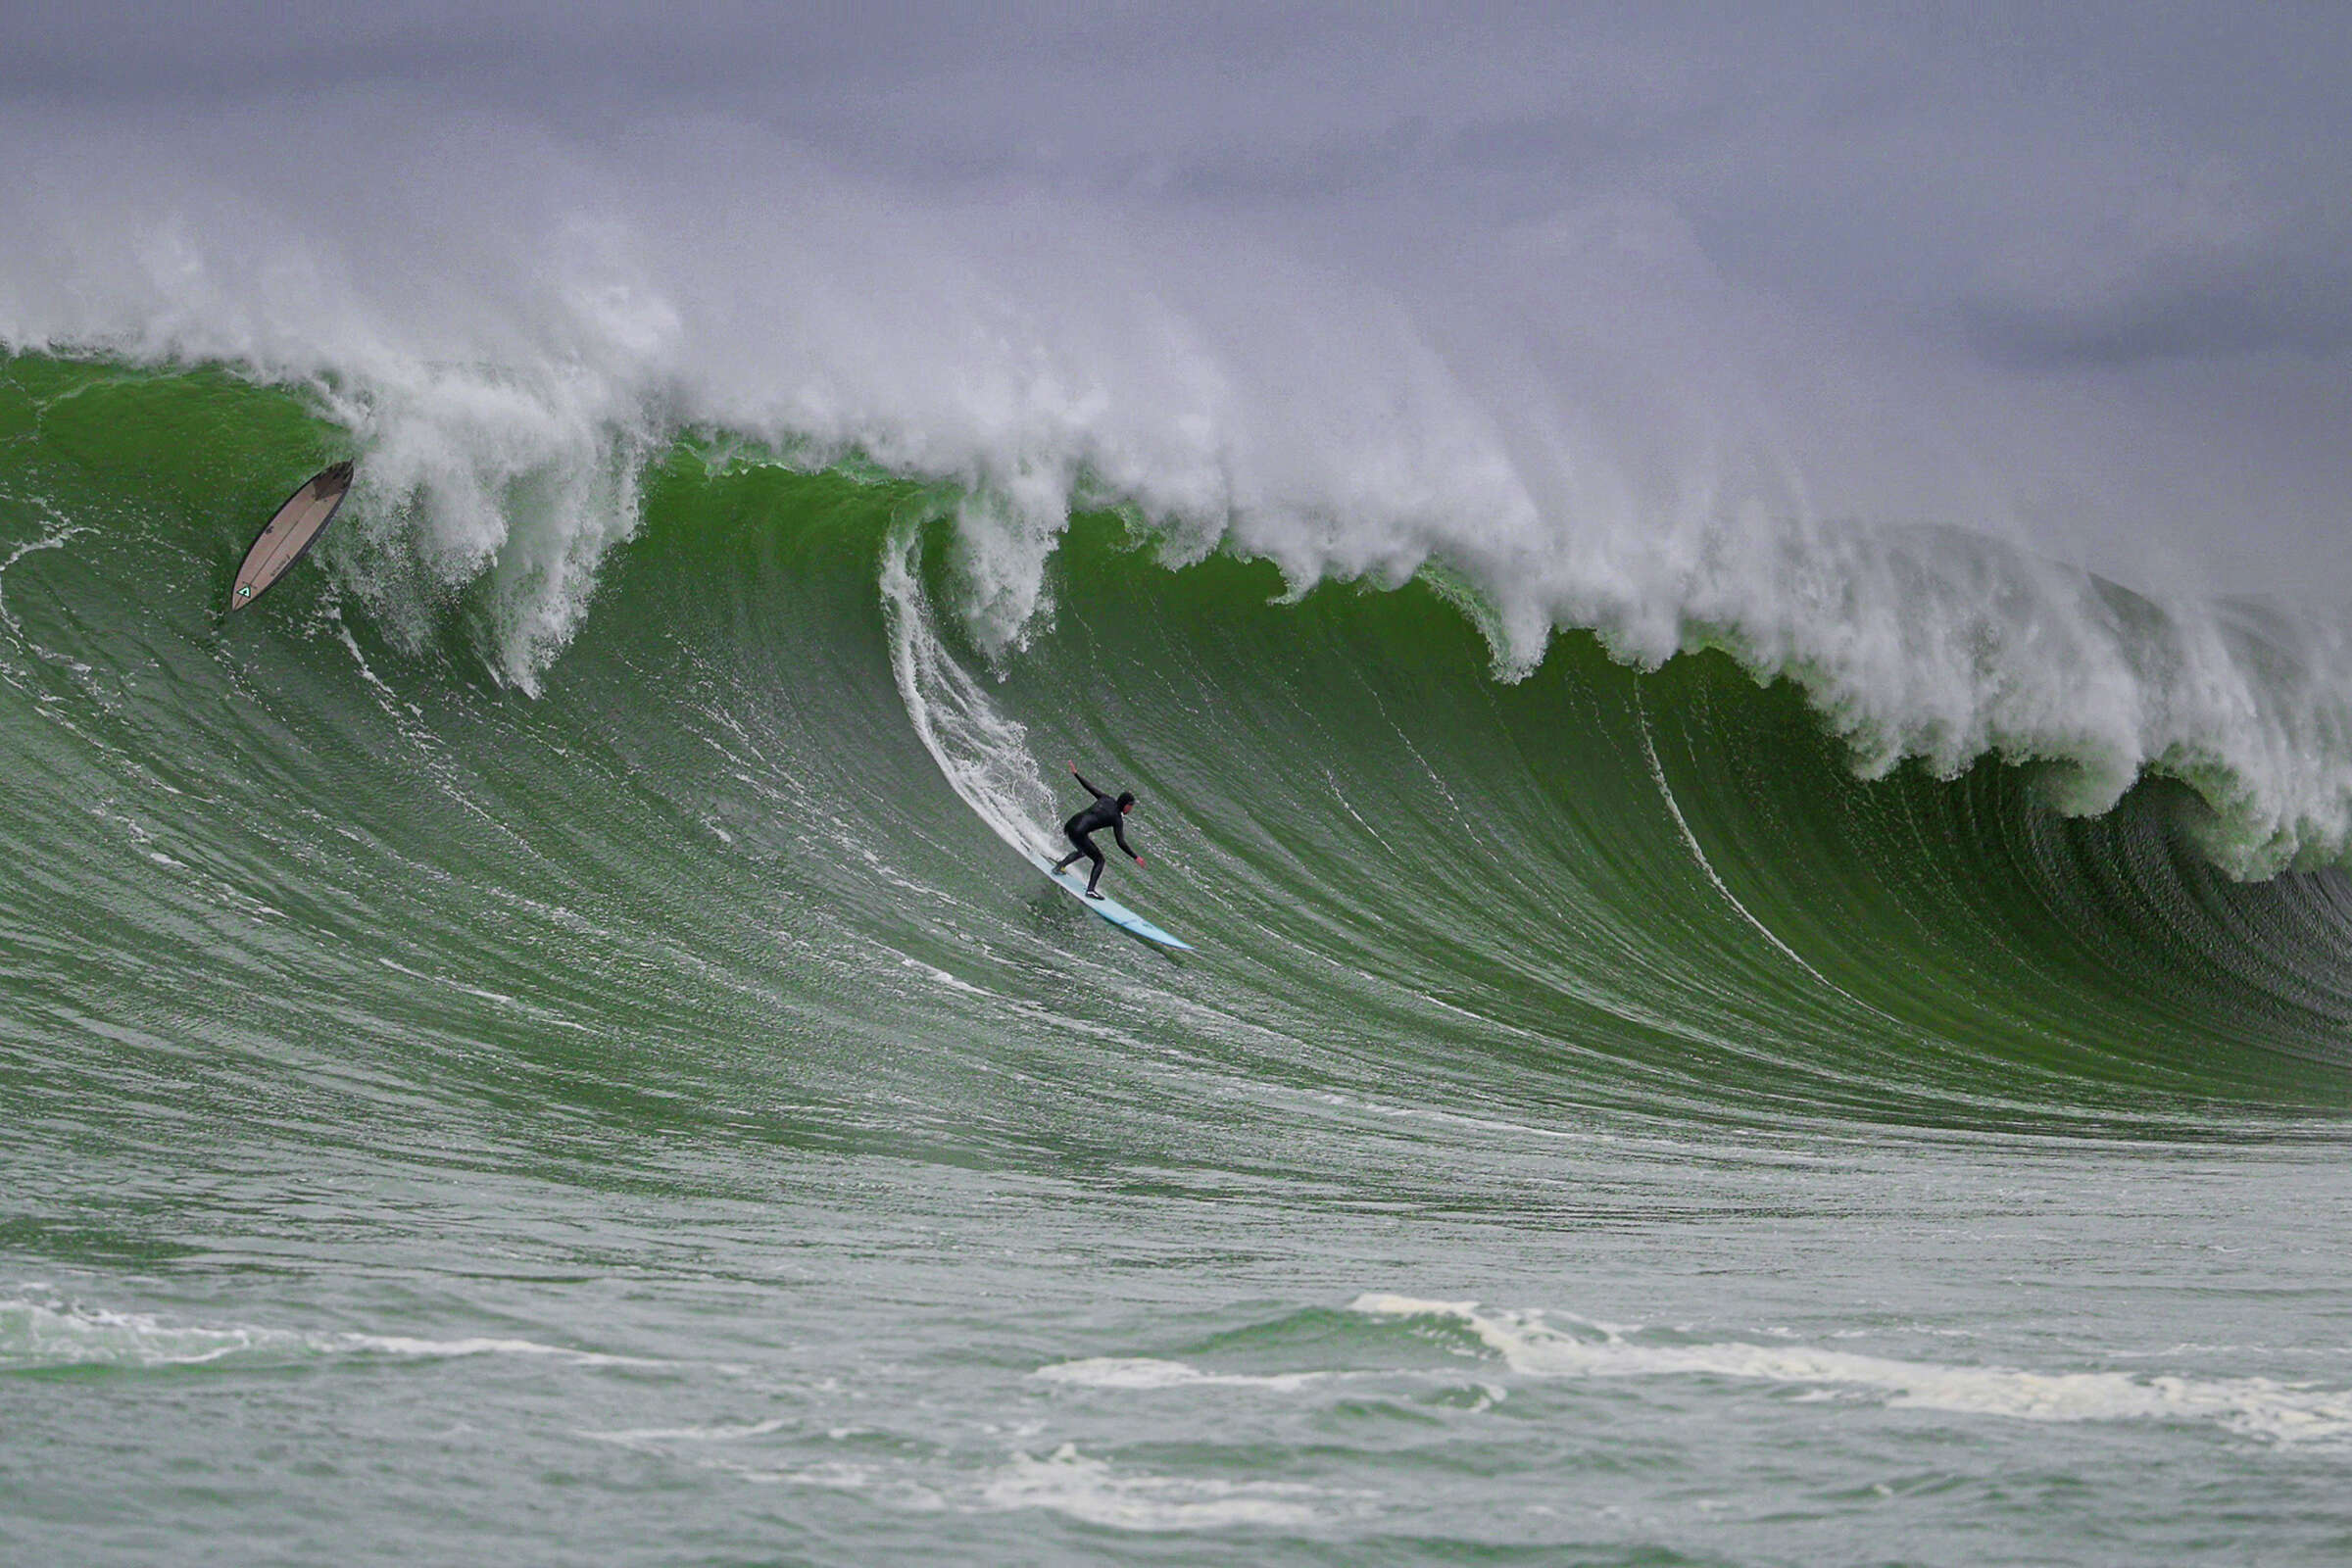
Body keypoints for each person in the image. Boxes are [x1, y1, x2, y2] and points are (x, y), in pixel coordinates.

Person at [1054, 762, 1145, 899]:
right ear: (1125, 805)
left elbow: (1089, 787)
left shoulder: (1106, 798)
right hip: (1079, 832)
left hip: (1070, 825)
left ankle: (1059, 866)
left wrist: (1076, 774)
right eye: (1130, 806)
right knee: (1100, 860)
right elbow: (1120, 842)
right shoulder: (1117, 819)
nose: (1130, 809)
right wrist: (1135, 857)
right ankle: (1090, 890)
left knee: (1083, 850)